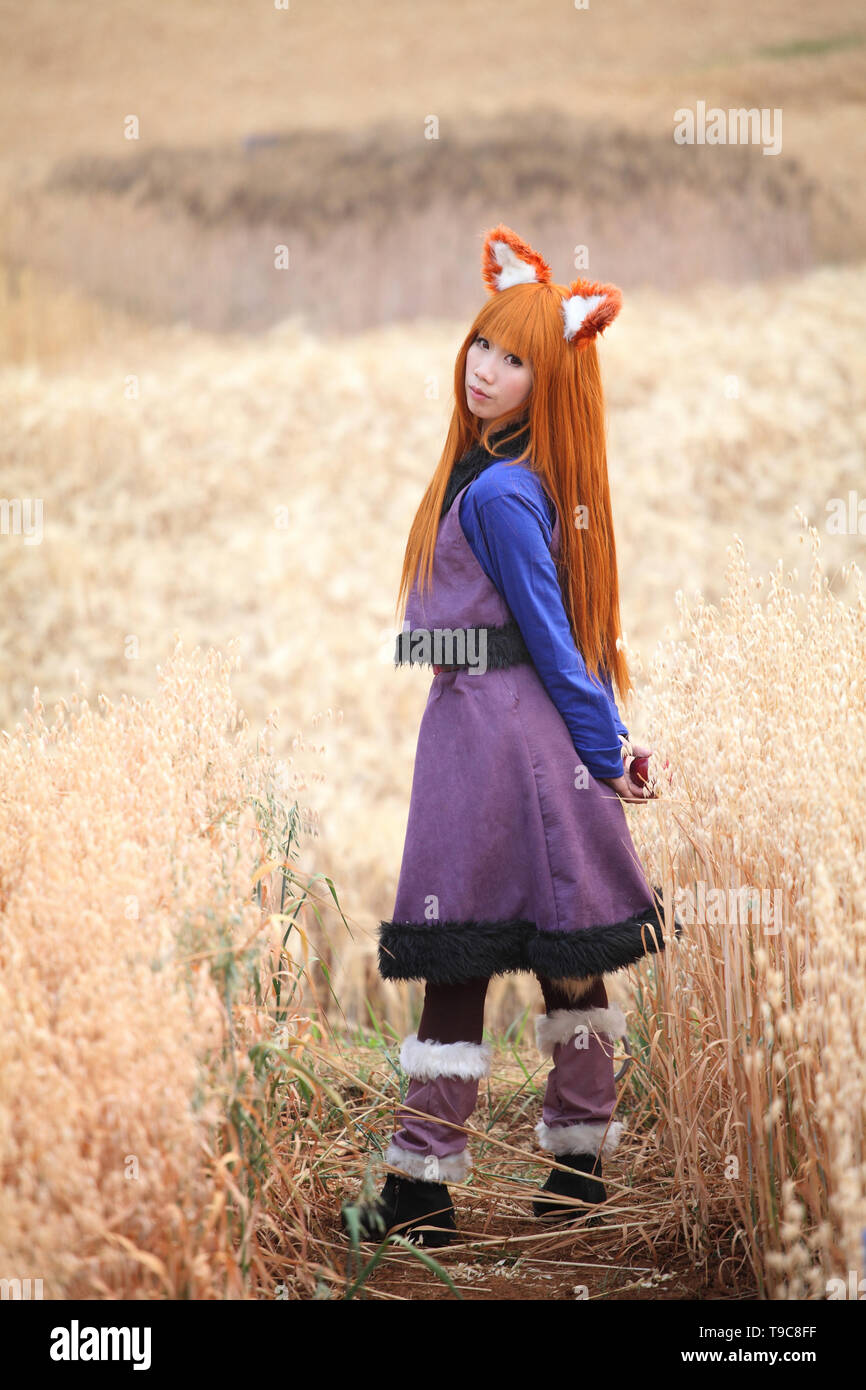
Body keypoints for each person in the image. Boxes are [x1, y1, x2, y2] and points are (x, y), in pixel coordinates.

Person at [342, 224, 679, 1248]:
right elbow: (533, 636)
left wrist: (604, 749)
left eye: (515, 357)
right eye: (481, 346)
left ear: (549, 382)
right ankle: (575, 1167)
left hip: (503, 750)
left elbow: (549, 638)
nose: (485, 369)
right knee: (560, 951)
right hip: (489, 735)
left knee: (468, 957)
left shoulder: (495, 491)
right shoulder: (496, 476)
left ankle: (420, 1190)